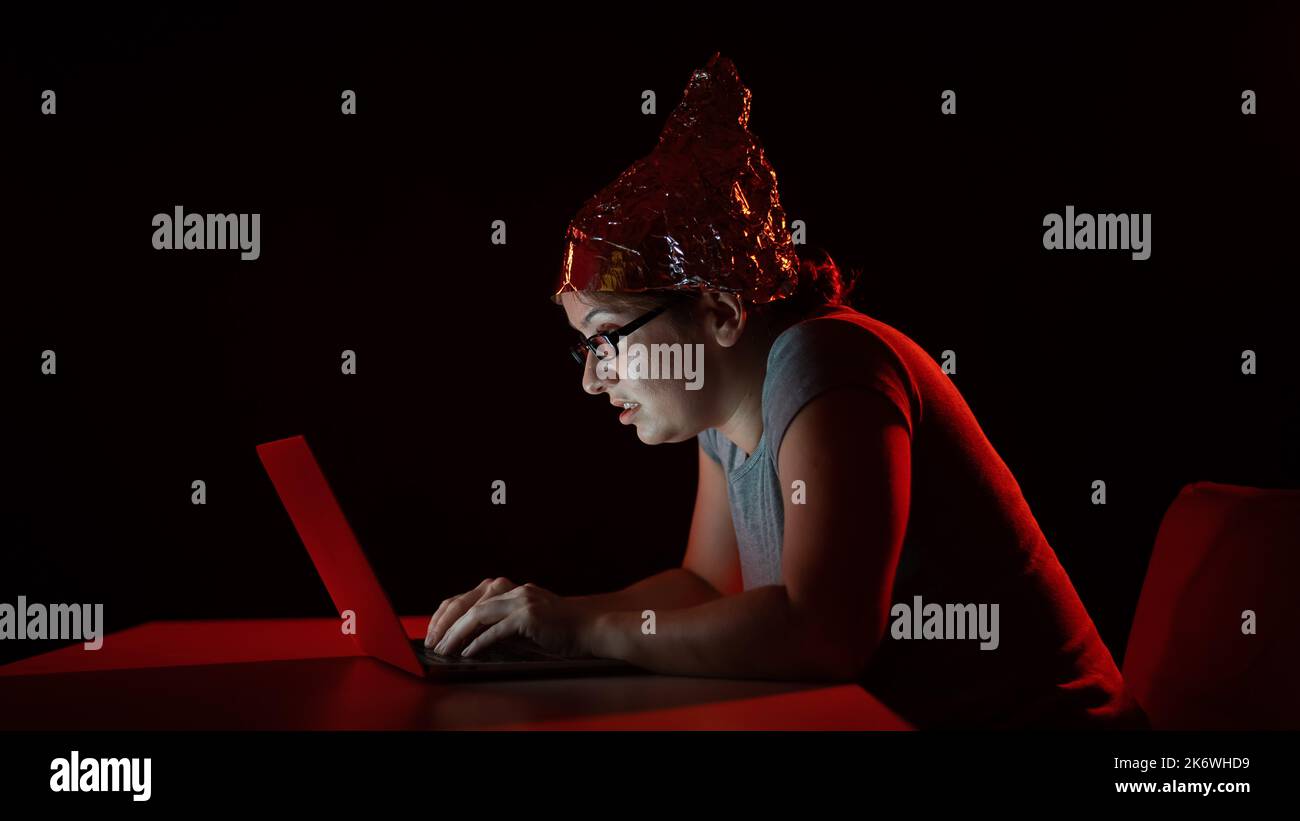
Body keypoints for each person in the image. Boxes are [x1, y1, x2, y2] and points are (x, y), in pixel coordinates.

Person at [424, 53, 1148, 729]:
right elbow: (706, 587)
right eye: (584, 346)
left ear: (721, 314)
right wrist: (543, 621)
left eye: (609, 337)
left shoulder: (825, 362)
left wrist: (582, 628)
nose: (591, 375)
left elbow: (825, 632)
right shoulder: (724, 401)